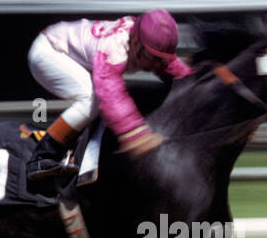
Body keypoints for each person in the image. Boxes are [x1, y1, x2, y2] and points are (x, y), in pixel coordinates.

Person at [24, 9, 193, 179]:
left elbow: (169, 64)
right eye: (153, 58)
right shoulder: (113, 49)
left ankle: (78, 154)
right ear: (135, 44)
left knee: (102, 100)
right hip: (48, 52)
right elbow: (110, 93)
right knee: (92, 100)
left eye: (160, 58)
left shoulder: (141, 38)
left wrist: (194, 80)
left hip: (70, 51)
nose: (157, 64)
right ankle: (43, 157)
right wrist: (135, 135)